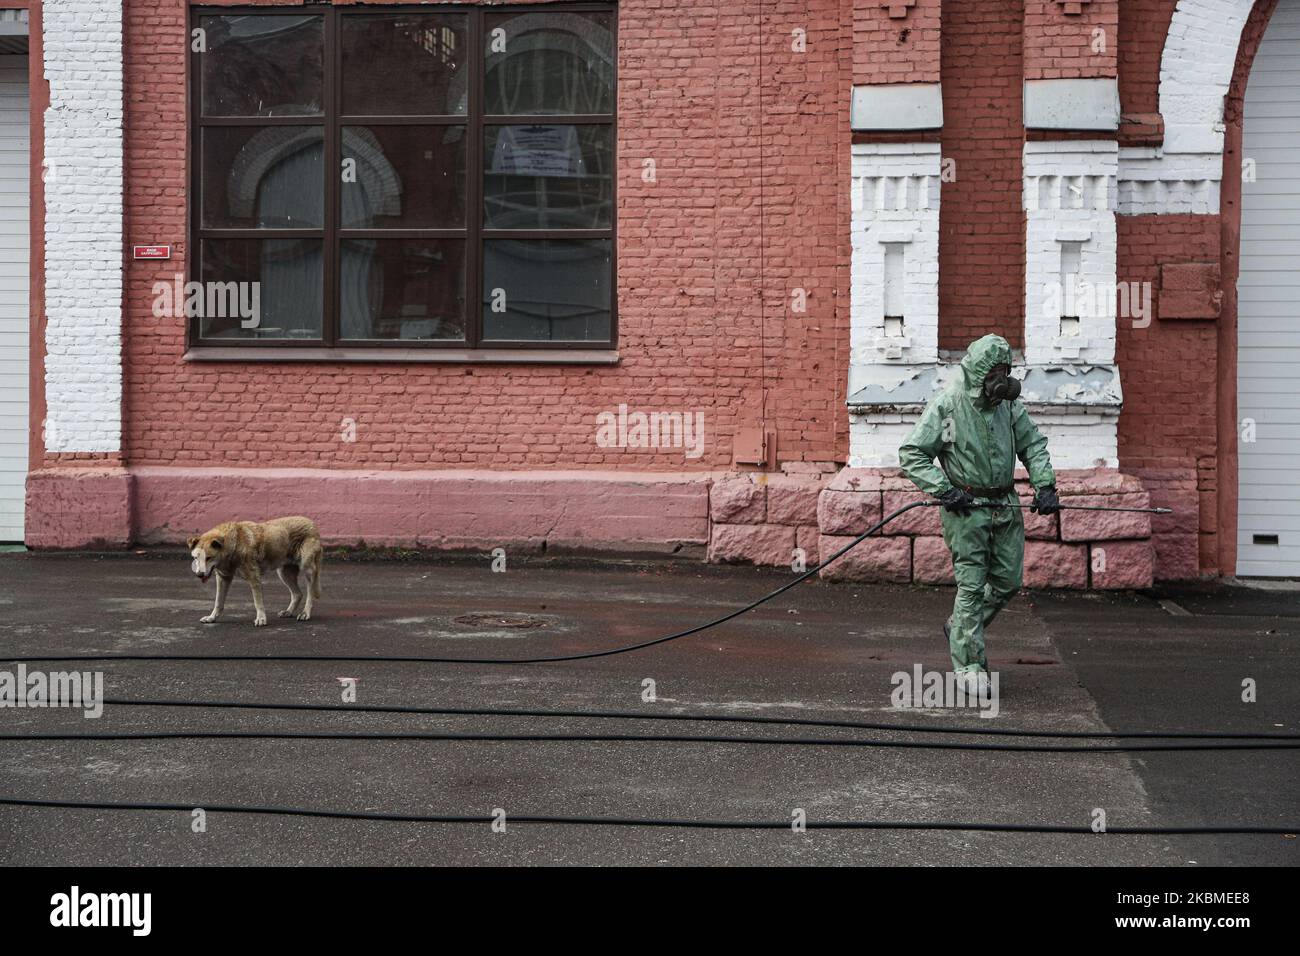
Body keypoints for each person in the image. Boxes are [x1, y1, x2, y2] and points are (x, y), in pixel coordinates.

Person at [897, 334, 1060, 692]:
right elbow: (912, 453)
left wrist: (1045, 485)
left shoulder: (1009, 408)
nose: (1002, 379)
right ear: (978, 373)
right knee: (971, 586)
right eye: (995, 372)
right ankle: (969, 663)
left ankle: (959, 626)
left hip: (1005, 505)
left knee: (1007, 583)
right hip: (966, 509)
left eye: (1006, 370)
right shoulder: (948, 408)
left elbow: (1032, 445)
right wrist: (944, 490)